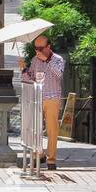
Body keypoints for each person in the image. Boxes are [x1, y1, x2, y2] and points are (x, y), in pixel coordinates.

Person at [20, 34, 66, 170]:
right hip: (37, 97)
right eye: (35, 48)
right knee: (36, 129)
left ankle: (51, 159)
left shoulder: (58, 59)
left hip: (52, 97)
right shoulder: (35, 60)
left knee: (52, 129)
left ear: (48, 47)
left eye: (40, 48)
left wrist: (47, 60)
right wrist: (24, 69)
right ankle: (37, 155)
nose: (38, 51)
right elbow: (30, 79)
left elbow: (59, 74)